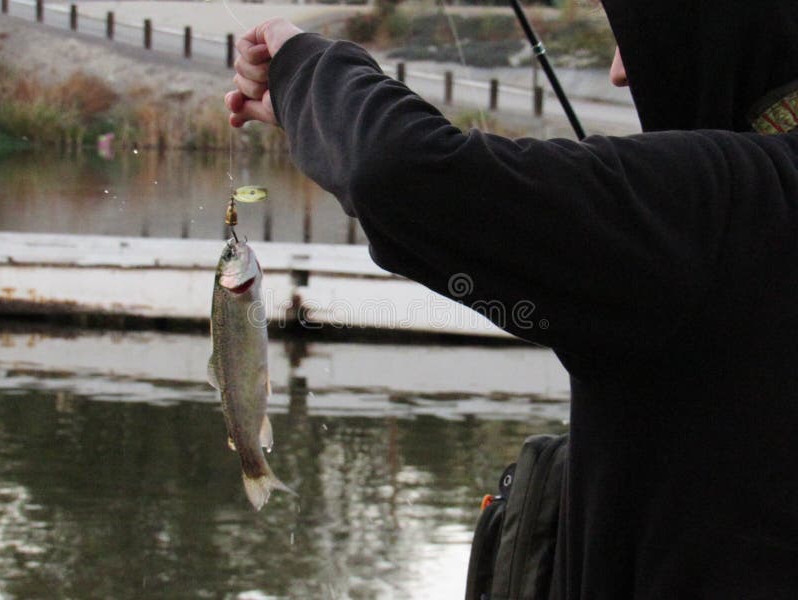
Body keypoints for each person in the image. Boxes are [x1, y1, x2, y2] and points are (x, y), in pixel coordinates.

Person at [225, 1, 798, 597]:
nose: (619, 72)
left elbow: (395, 172)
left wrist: (303, 64)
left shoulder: (722, 209)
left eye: (636, 33)